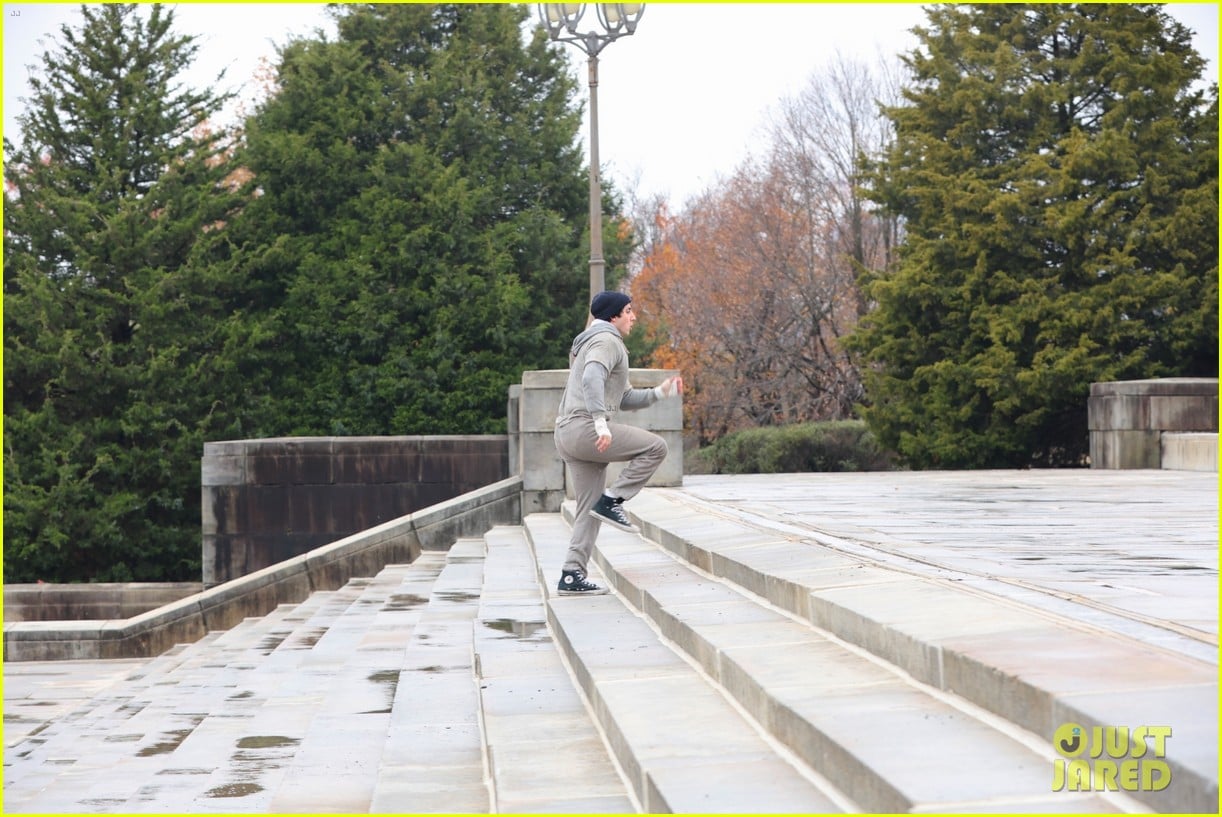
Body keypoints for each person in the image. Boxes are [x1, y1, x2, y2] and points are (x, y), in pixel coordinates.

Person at [552, 290, 683, 595]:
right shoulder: (606, 341)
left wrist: (660, 393)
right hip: (585, 428)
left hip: (567, 433)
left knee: (588, 509)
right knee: (655, 447)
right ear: (612, 316)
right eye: (628, 311)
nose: (633, 316)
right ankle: (614, 500)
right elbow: (591, 379)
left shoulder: (591, 341)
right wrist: (600, 423)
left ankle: (571, 575)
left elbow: (623, 397)